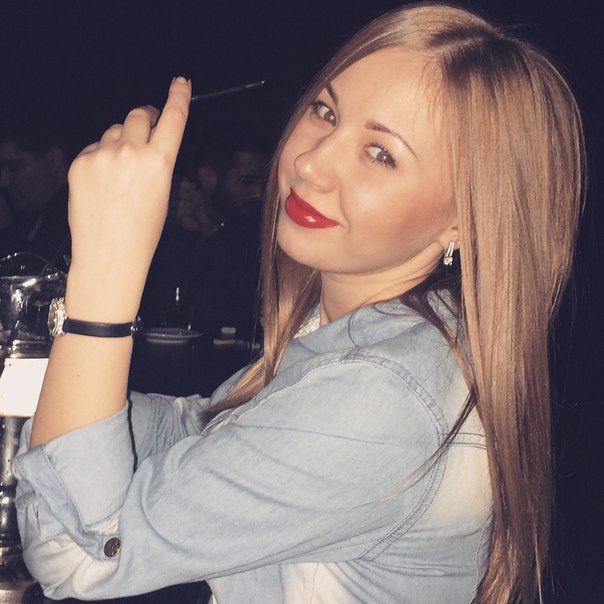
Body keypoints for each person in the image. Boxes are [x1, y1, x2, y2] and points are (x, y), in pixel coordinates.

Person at [13, 3, 584, 603]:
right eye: (326, 111)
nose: (311, 163)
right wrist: (31, 394)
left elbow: (75, 555)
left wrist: (105, 272)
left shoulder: (383, 392)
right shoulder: (381, 332)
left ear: (466, 217)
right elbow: (197, 429)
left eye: (381, 153)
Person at [0, 115, 71, 264]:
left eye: (15, 167)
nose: (3, 182)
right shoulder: (36, 216)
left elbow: (36, 271)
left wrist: (5, 234)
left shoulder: (72, 217)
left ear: (54, 160)